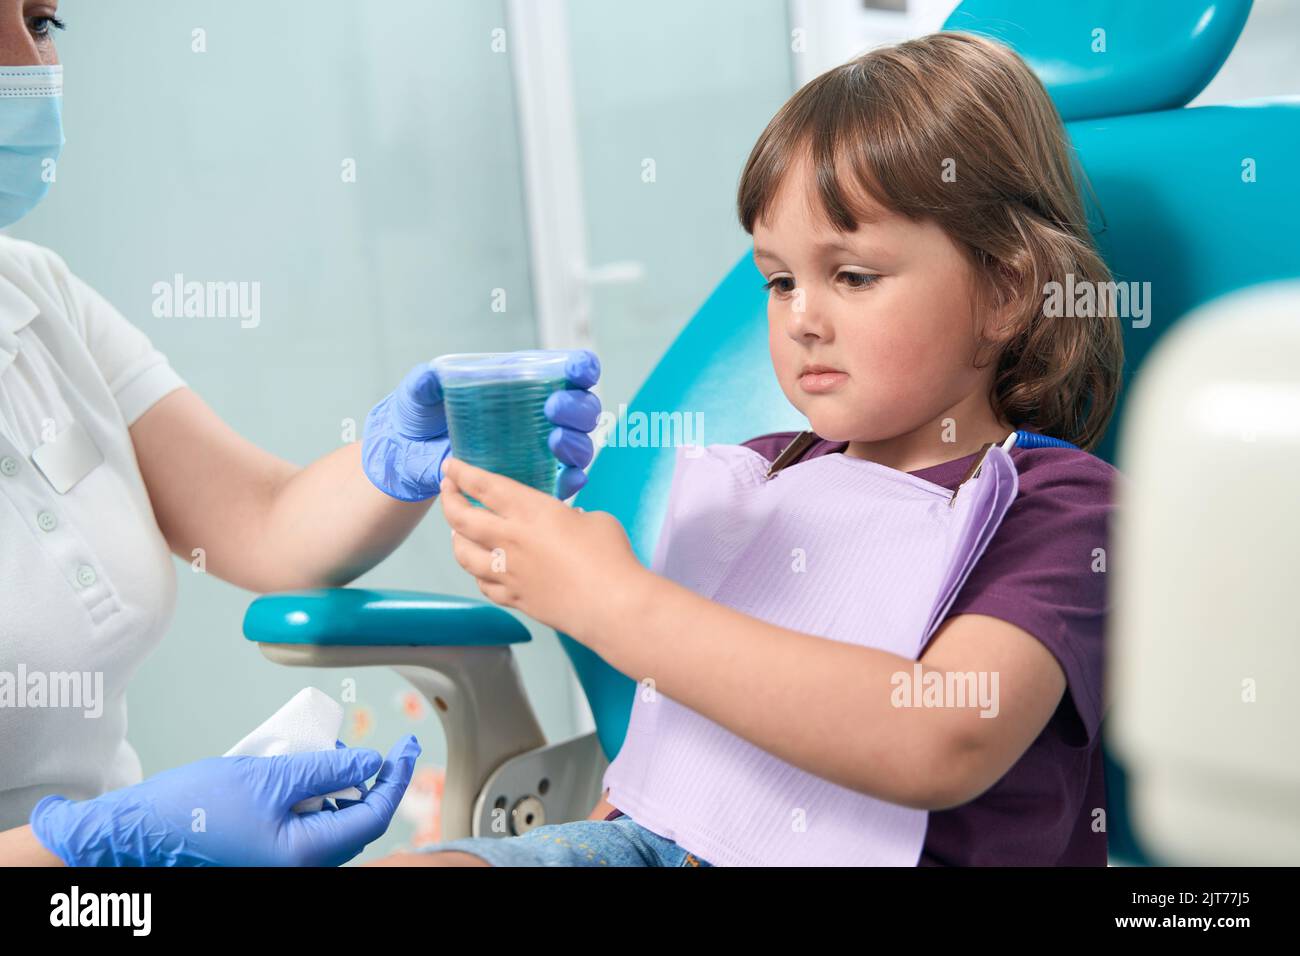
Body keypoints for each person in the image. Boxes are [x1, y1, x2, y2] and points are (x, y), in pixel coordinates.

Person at [370, 31, 1123, 866]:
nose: (801, 315)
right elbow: (679, 729)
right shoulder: (765, 471)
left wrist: (614, 603)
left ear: (1006, 291)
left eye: (854, 275)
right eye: (780, 279)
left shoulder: (1056, 507)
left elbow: (941, 738)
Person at [0, 0, 602, 866]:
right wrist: (92, 847)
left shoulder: (39, 298)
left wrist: (399, 459)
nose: (29, 64)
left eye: (43, 22)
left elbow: (262, 520)